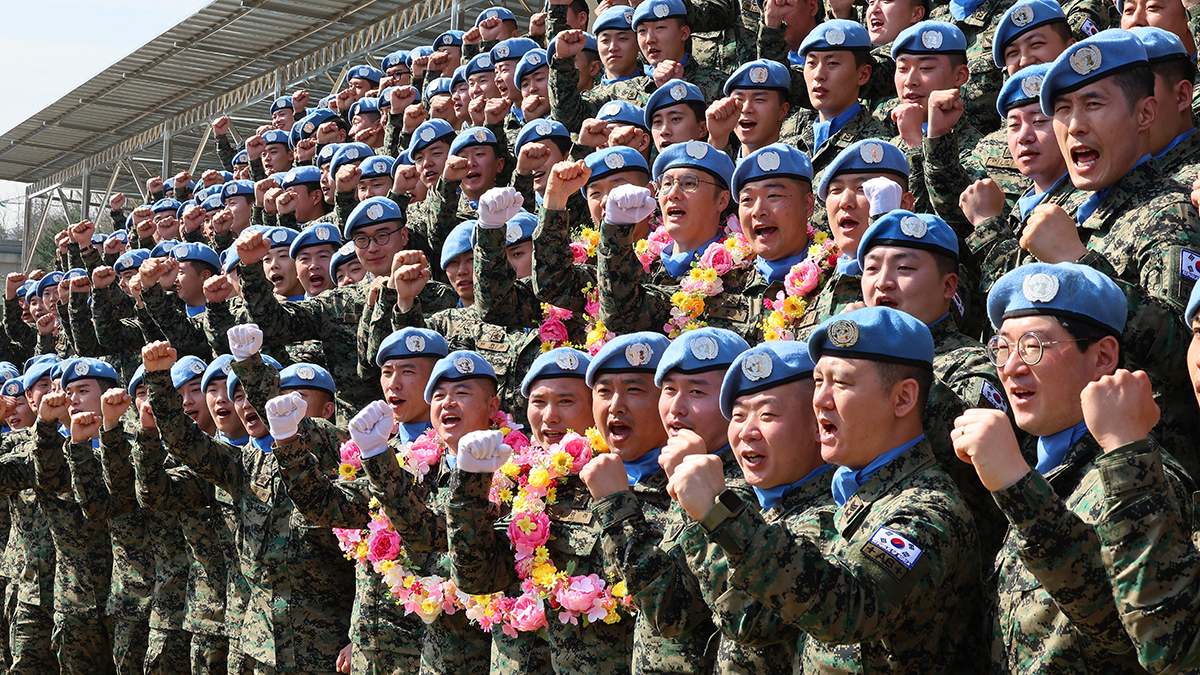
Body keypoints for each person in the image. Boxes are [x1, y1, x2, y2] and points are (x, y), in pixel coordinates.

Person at [669, 306, 984, 672]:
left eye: (842, 383)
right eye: (819, 382)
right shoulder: (857, 495)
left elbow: (850, 608)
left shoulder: (926, 510)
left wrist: (718, 513)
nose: (820, 399)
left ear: (902, 399)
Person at [952, 261, 1192, 672]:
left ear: (1102, 356)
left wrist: (1017, 488)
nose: (1010, 367)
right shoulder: (1040, 461)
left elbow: (1131, 632)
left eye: (1034, 346)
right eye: (1003, 347)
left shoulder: (1144, 478)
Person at [676, 340, 834, 673]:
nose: (747, 431)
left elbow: (746, 621)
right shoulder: (747, 501)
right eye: (738, 415)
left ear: (818, 424)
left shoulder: (831, 516)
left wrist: (711, 513)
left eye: (767, 415)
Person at [352, 351, 502, 675]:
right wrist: (376, 455)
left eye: (461, 393)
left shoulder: (519, 474)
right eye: (438, 395)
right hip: (432, 661)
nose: (447, 403)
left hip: (489, 655)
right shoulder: (421, 469)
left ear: (492, 407)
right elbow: (424, 535)